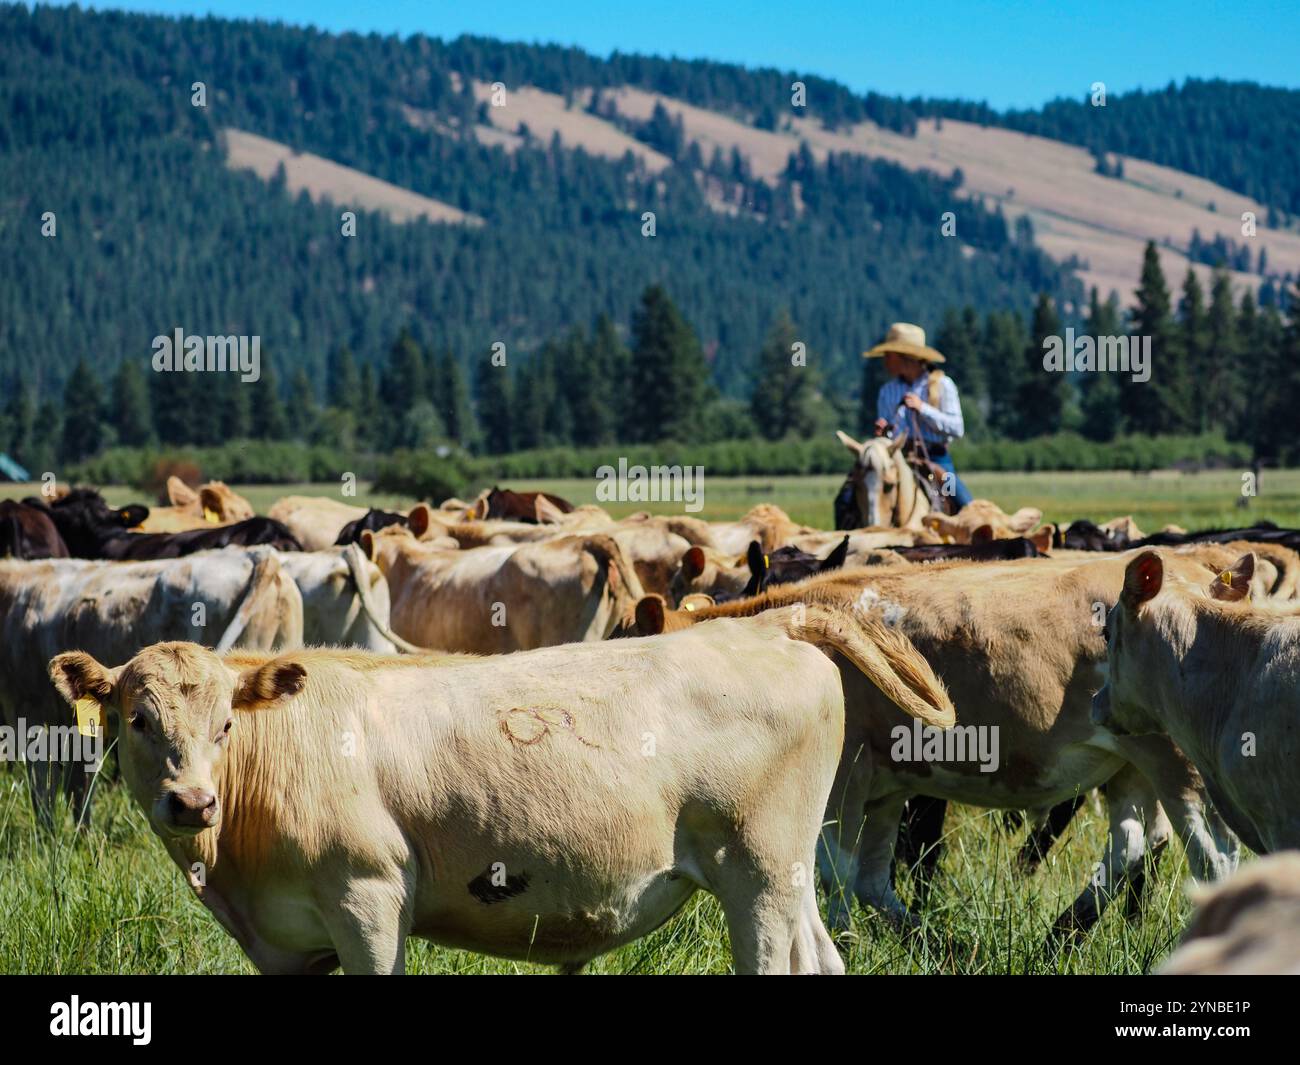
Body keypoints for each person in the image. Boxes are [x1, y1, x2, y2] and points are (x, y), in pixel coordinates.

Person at [865, 321, 974, 509]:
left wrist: (922, 408)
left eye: (888, 356)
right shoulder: (887, 391)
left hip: (935, 459)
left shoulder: (942, 385)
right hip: (896, 458)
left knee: (963, 503)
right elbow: (888, 430)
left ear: (904, 357)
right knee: (852, 493)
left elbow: (957, 428)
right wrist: (884, 430)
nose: (884, 361)